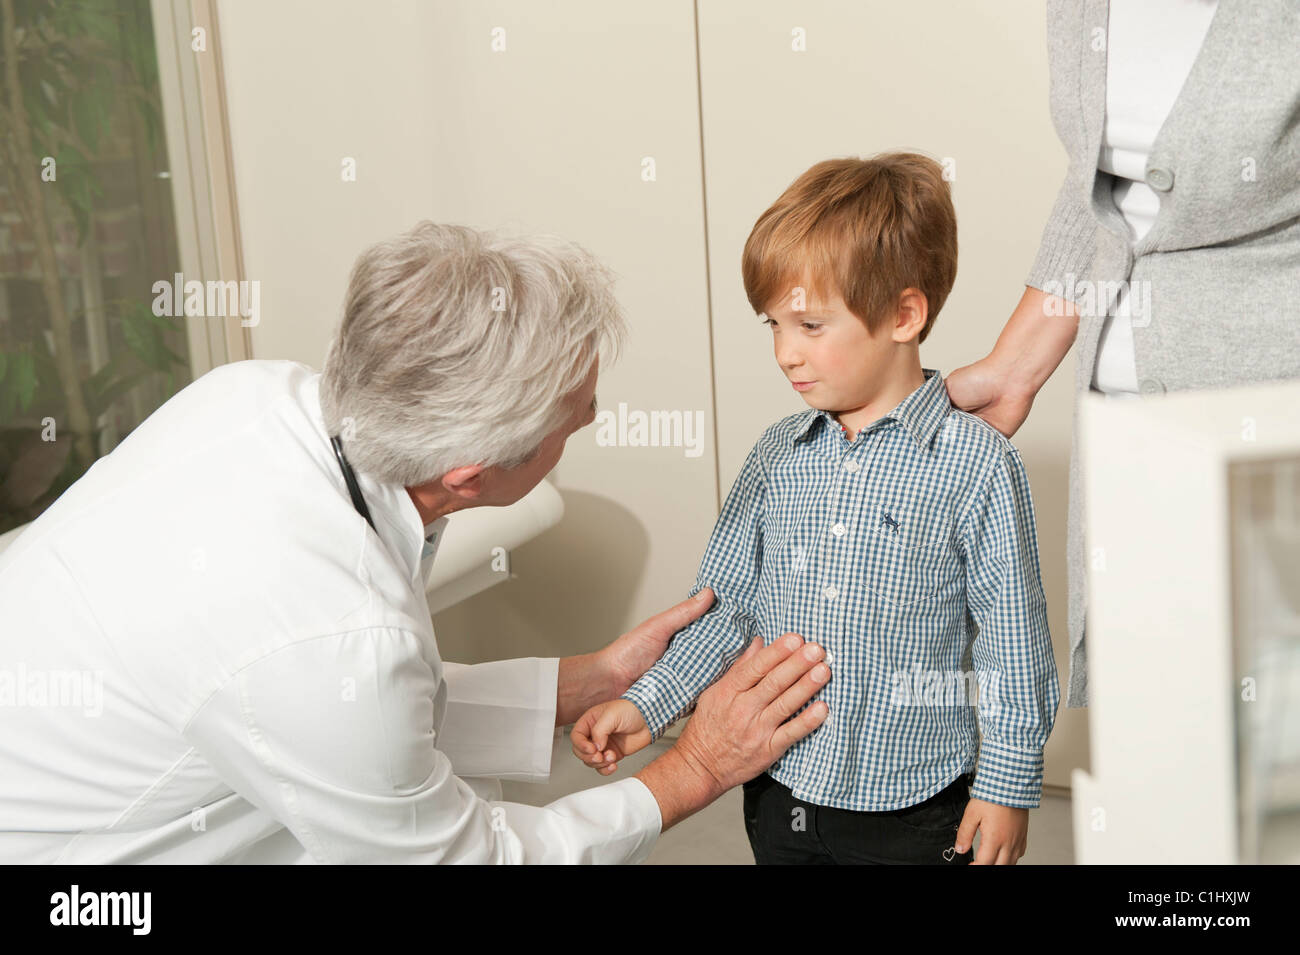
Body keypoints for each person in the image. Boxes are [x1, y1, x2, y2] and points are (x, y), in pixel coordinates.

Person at [0, 222, 831, 864]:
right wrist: (696, 769)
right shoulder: (326, 637)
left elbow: (342, 709)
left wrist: (589, 681)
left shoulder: (254, 397)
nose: (589, 414)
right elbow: (463, 853)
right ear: (470, 473)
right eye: (573, 410)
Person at [572, 154, 1060, 865]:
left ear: (903, 314)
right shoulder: (777, 456)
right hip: (781, 791)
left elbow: (1013, 638)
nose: (784, 353)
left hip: (917, 805)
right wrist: (650, 701)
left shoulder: (975, 463)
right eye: (772, 325)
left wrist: (1007, 783)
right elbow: (726, 607)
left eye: (808, 325)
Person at [945, 0, 1300, 707]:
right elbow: (1101, 187)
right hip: (1127, 445)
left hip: (1273, 447)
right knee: (1163, 743)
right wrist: (1019, 362)